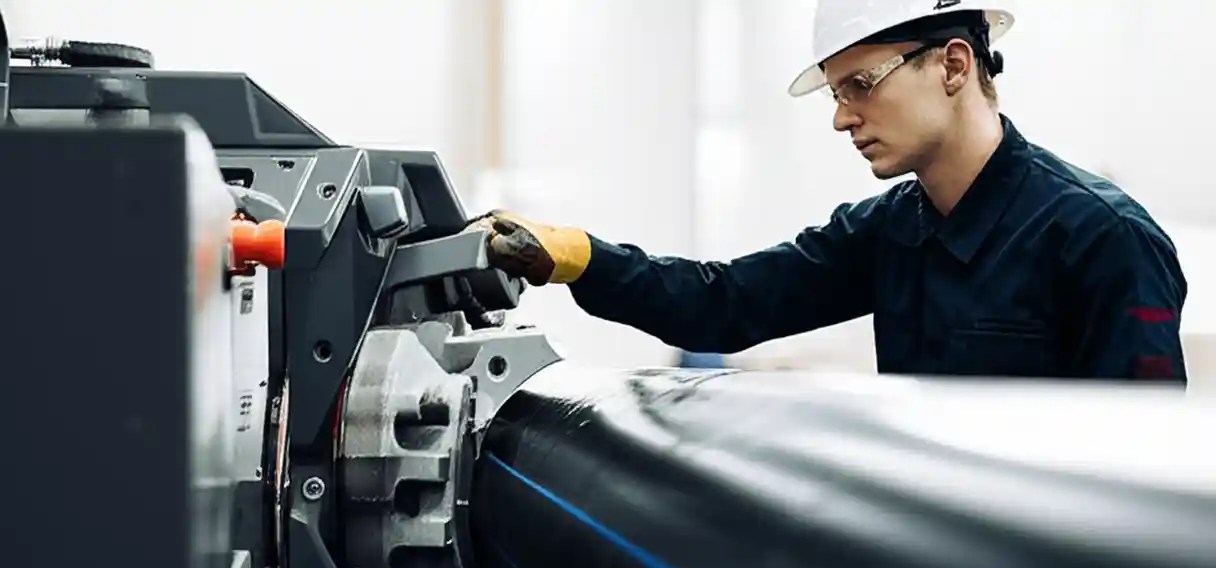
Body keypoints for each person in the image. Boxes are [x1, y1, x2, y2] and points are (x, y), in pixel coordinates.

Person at [468, 0, 1188, 384]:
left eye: (860, 85)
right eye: (837, 93)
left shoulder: (1102, 238)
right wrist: (577, 257)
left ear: (953, 65)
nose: (842, 118)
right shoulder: (891, 231)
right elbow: (724, 304)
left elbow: (1142, 472)